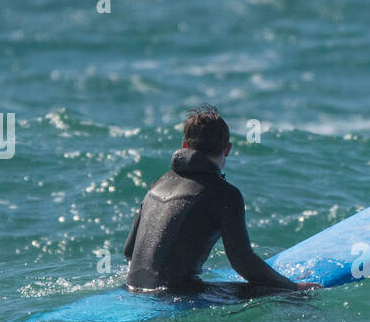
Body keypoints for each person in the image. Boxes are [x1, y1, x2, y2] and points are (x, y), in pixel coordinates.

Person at [123, 105, 320, 294]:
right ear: (227, 149)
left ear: (185, 146)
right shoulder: (224, 194)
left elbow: (129, 250)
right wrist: (291, 287)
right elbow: (243, 262)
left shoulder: (157, 184)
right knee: (276, 292)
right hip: (173, 295)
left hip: (132, 288)